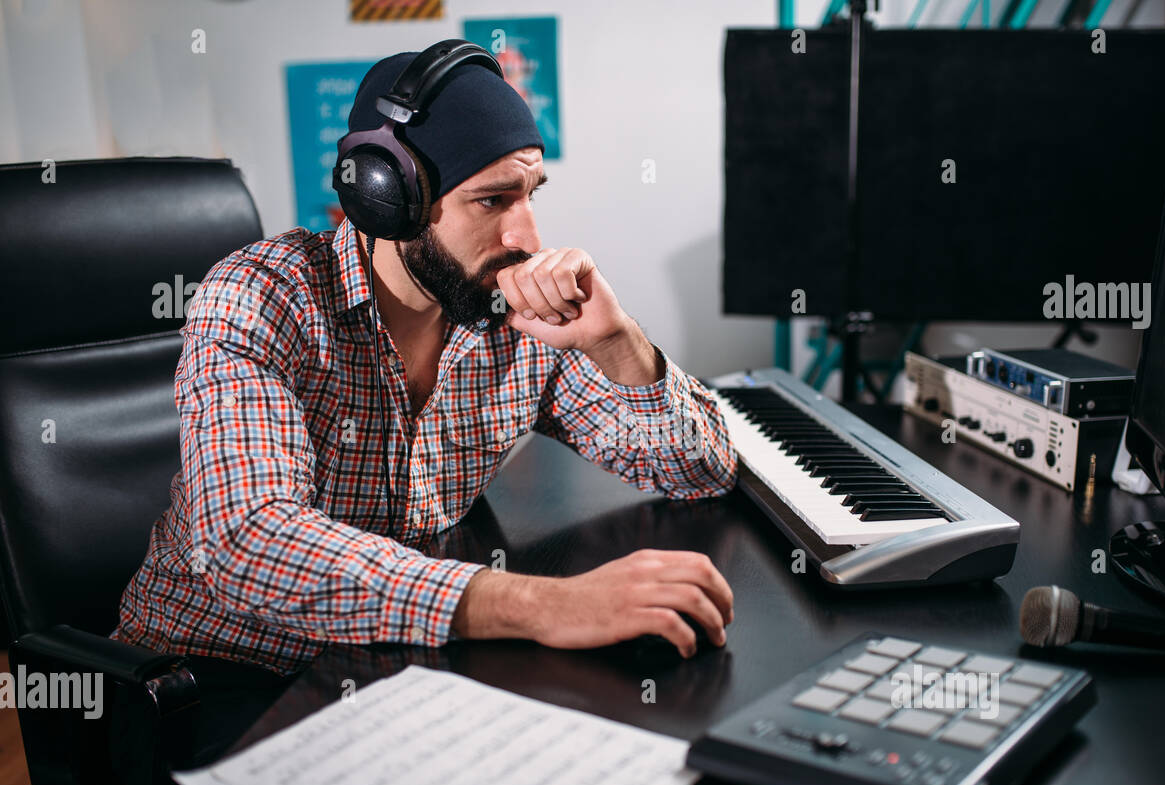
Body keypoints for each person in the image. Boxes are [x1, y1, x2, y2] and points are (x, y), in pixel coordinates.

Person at [107, 46, 738, 676]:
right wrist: (545, 605)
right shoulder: (263, 296)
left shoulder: (509, 313)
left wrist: (615, 341)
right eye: (493, 201)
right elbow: (251, 544)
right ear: (387, 197)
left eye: (530, 195)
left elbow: (700, 470)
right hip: (212, 679)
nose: (528, 239)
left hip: (385, 668)